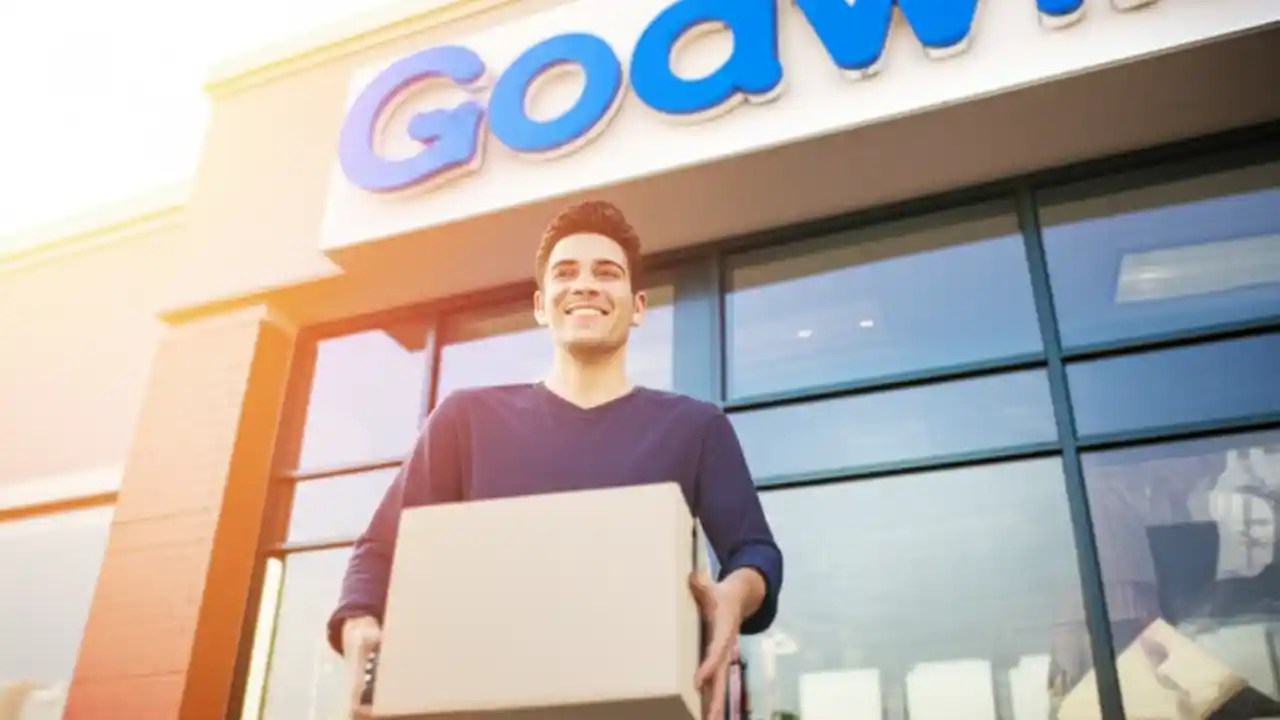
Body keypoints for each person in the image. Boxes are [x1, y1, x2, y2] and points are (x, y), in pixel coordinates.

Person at [326, 200, 784, 720]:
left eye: (606, 273)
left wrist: (735, 595)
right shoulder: (465, 419)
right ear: (542, 306)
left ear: (637, 307)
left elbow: (754, 551)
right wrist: (361, 628)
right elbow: (380, 551)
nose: (586, 284)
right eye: (567, 273)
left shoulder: (694, 427)